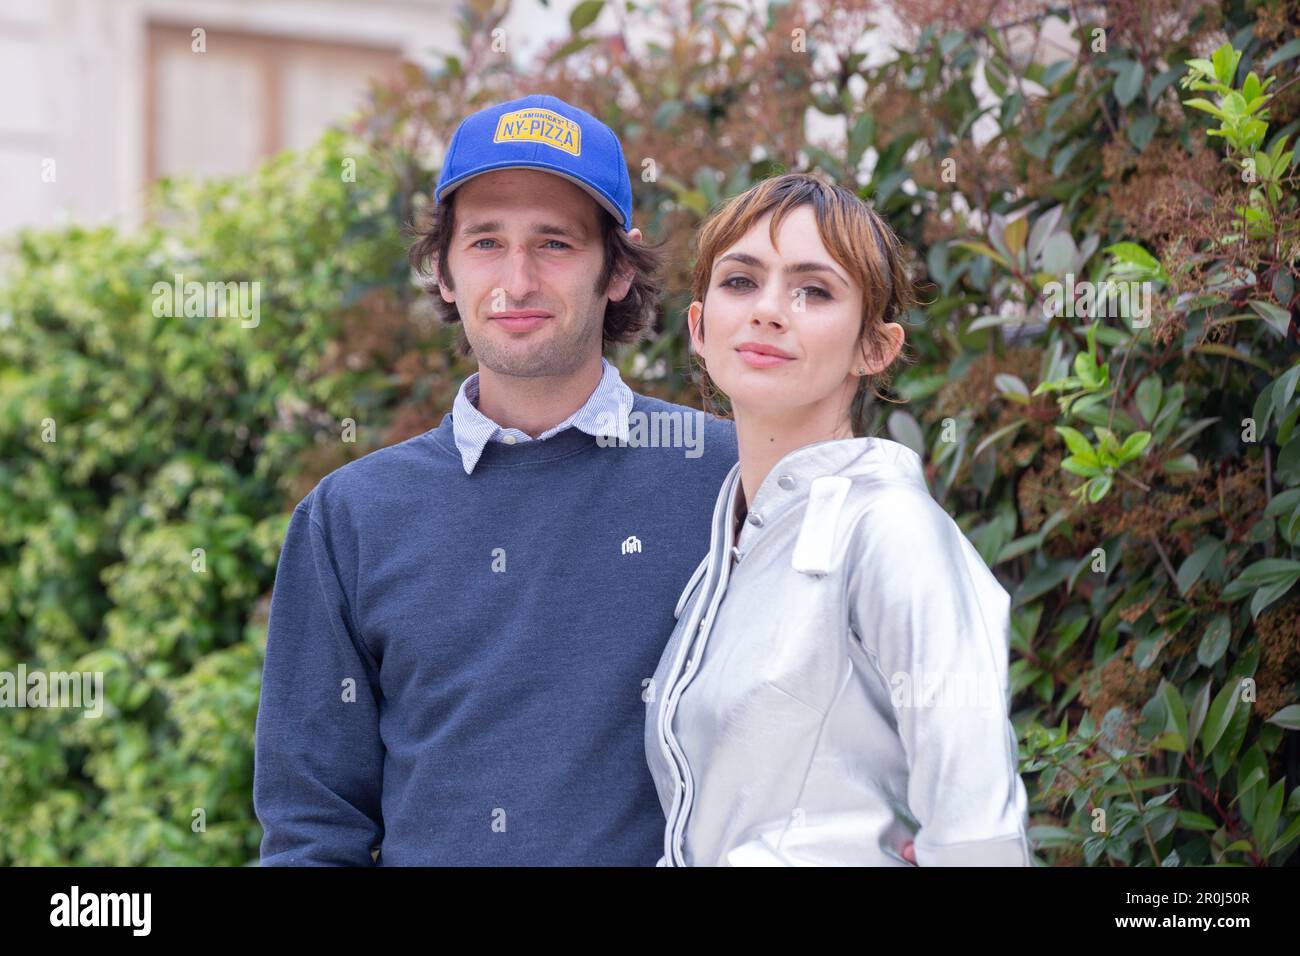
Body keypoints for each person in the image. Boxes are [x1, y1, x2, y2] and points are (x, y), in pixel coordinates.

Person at [252, 94, 742, 865]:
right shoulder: (349, 519)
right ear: (442, 271)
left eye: (554, 243)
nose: (516, 280)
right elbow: (313, 827)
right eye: (485, 242)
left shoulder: (729, 478)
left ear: (617, 268)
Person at [644, 172, 1033, 866]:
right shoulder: (722, 558)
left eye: (813, 290)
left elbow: (981, 837)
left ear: (874, 348)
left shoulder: (891, 531)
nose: (769, 310)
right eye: (740, 281)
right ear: (700, 329)